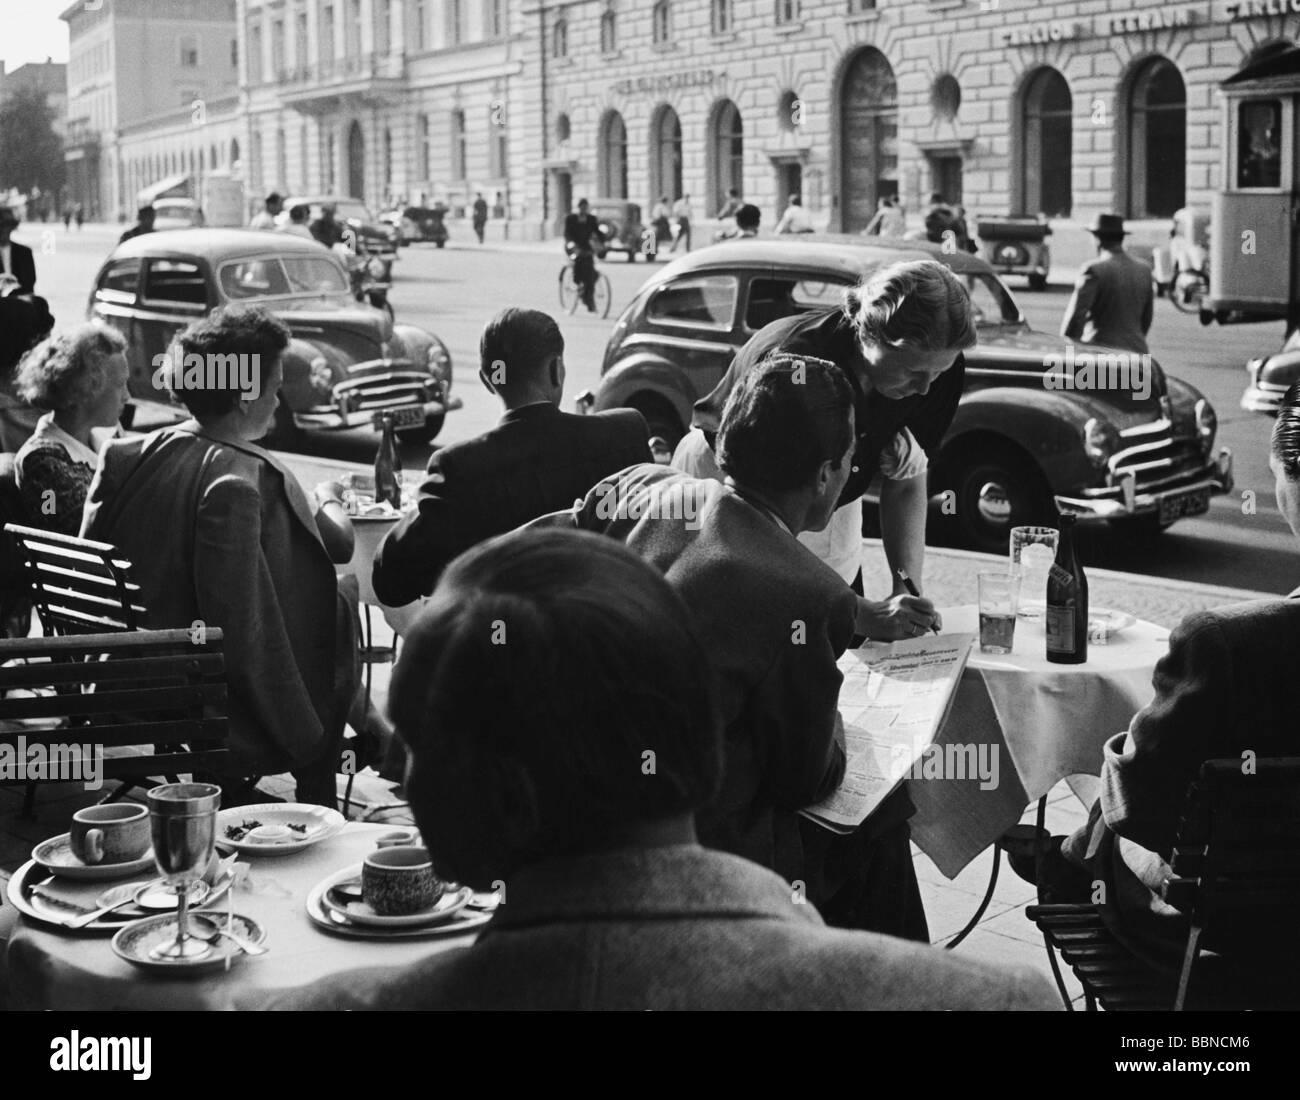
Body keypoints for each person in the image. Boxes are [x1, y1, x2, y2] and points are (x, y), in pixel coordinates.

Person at [252, 527, 1059, 1010]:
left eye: (410, 749)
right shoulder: (988, 1002)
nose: (397, 775)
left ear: (500, 799)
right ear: (704, 749)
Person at [558, 357, 934, 938]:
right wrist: (839, 720)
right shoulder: (807, 591)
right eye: (851, 457)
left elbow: (510, 561)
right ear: (825, 475)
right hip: (701, 859)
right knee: (883, 818)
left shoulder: (641, 486)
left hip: (573, 808)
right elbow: (804, 780)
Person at [1013, 382, 1300, 968]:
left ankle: (1067, 866)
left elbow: (1141, 809)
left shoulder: (1223, 643)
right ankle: (1066, 862)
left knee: (1124, 787)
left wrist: (1119, 751)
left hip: (1224, 927)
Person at [81, 306, 360, 807]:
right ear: (244, 392)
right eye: (274, 385)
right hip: (199, 696)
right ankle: (317, 791)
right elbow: (246, 632)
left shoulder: (124, 456)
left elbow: (88, 577)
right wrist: (331, 496)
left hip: (115, 675)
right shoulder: (246, 478)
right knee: (338, 611)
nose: (277, 397)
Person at [681, 259, 974, 633]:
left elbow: (906, 477)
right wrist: (861, 614)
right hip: (734, 491)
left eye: (939, 372)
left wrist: (905, 584)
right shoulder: (795, 372)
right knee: (754, 631)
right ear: (869, 336)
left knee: (838, 641)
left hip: (829, 488)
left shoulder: (933, 369)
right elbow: (759, 541)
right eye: (912, 372)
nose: (924, 389)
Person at [372, 308, 651, 607]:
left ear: (488, 380)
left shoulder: (460, 470)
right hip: (610, 637)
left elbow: (391, 583)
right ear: (556, 369)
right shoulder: (625, 435)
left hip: (503, 642)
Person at [13, 323, 130, 536]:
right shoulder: (42, 460)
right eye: (120, 385)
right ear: (85, 389)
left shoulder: (107, 436)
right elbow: (74, 528)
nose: (127, 397)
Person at [1061, 213, 1154, 356]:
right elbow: (1146, 319)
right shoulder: (1144, 270)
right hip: (1137, 353)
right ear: (1121, 238)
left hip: (1101, 353)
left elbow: (1076, 318)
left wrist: (1067, 350)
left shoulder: (1093, 270)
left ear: (1098, 239)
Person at [563, 198, 604, 313]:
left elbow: (597, 232)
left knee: (591, 274)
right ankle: (578, 283)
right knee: (578, 268)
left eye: (586, 207)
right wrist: (572, 244)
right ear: (579, 207)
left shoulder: (591, 219)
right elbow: (567, 234)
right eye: (582, 207)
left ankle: (589, 300)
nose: (584, 209)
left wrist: (603, 242)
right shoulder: (571, 219)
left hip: (585, 247)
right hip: (573, 247)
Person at [0, 206, 37, 294]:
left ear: (12, 228)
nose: (3, 230)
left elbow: (29, 283)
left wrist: (12, 288)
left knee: (40, 303)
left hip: (18, 301)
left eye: (6, 226)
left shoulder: (24, 252)